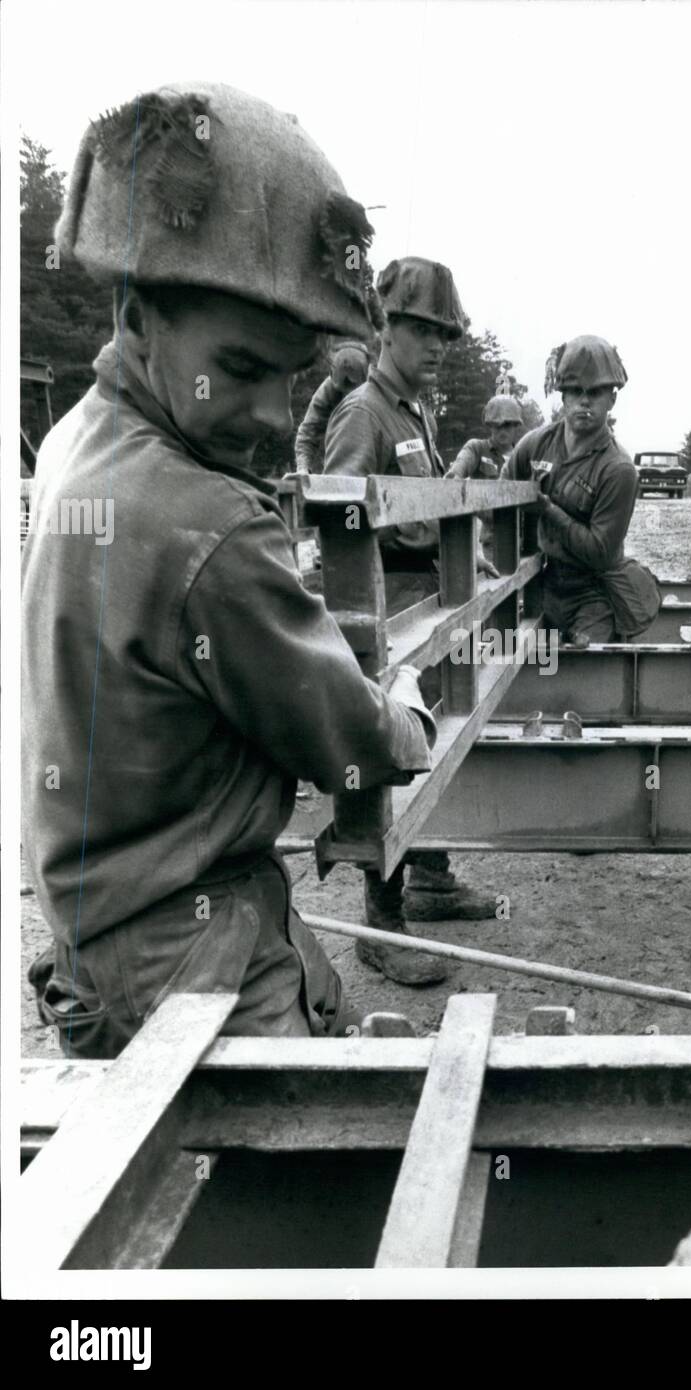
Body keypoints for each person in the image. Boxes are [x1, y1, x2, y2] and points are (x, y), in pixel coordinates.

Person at [22, 82, 438, 1059]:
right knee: (314, 1179)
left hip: (99, 932)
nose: (267, 413)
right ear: (136, 315)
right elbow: (353, 740)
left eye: (290, 376)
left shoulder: (78, 440)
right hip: (192, 958)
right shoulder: (203, 522)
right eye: (243, 369)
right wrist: (410, 703)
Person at [324, 257, 501, 986]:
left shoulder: (415, 412)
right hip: (386, 615)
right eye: (422, 329)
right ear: (384, 328)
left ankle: (430, 879)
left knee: (432, 740)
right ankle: (381, 923)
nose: (436, 345)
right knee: (388, 755)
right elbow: (339, 517)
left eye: (445, 334)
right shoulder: (362, 413)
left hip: (429, 607)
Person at [503, 335, 661, 645]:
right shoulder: (536, 445)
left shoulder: (618, 468)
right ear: (562, 396)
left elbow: (599, 552)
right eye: (575, 392)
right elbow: (497, 500)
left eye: (596, 392)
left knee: (590, 672)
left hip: (595, 593)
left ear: (612, 399)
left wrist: (547, 510)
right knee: (525, 660)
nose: (584, 402)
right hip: (544, 583)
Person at [447, 394, 526, 565]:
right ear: (489, 425)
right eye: (496, 425)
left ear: (516, 426)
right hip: (493, 540)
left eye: (507, 425)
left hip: (523, 540)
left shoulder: (523, 455)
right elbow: (454, 475)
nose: (502, 430)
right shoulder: (477, 448)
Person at [294, 339, 372, 473]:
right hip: (339, 462)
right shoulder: (327, 392)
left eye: (353, 389)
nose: (348, 396)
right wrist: (303, 467)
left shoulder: (380, 389)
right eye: (343, 390)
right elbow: (308, 432)